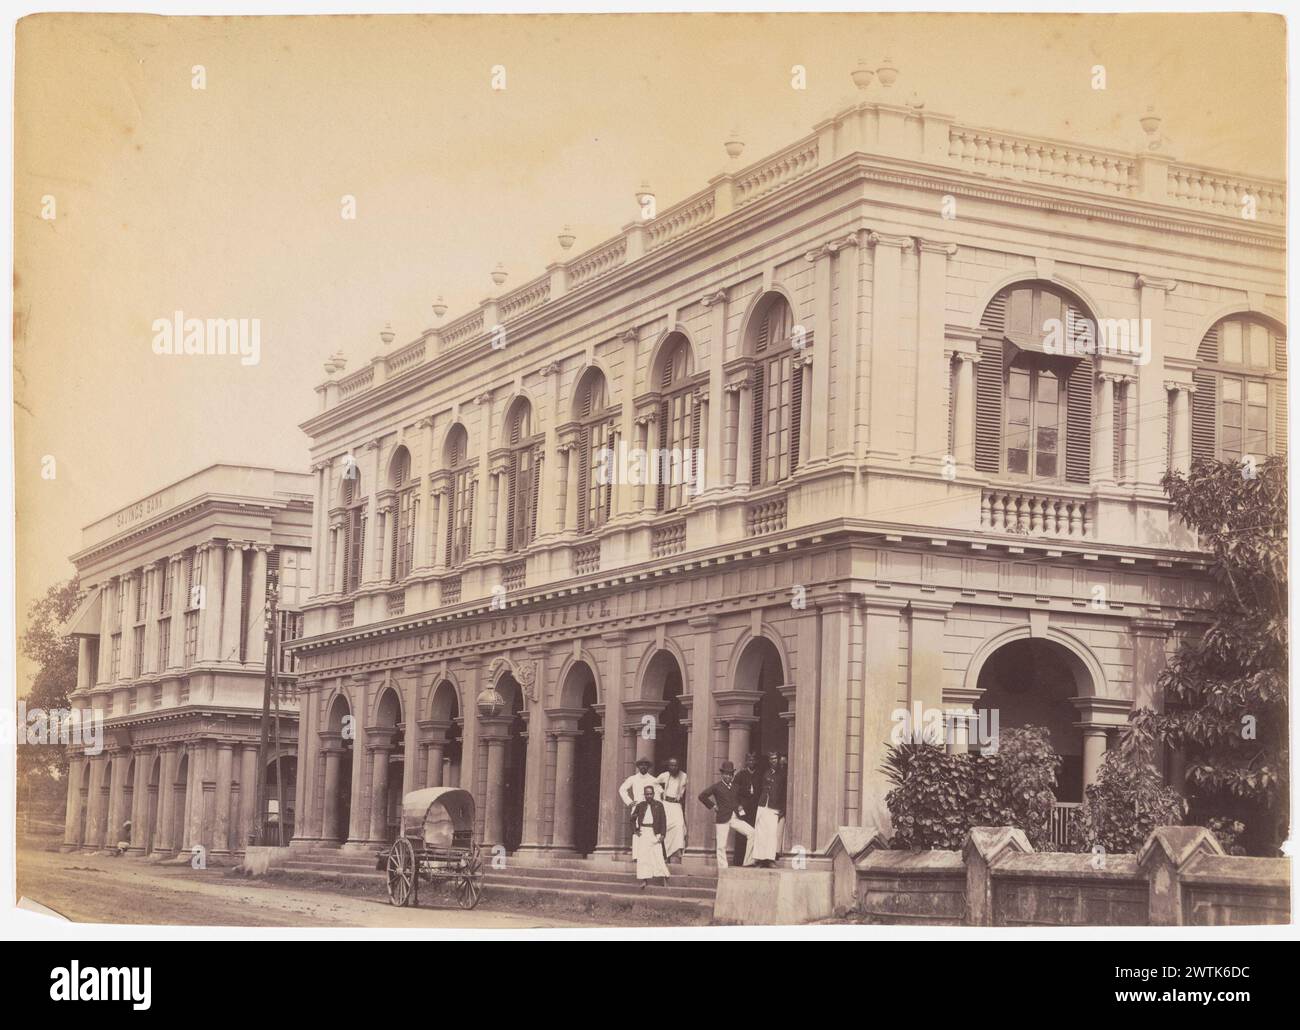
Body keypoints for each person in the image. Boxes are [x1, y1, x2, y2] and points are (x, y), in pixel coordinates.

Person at [698, 760, 754, 869]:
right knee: (721, 846)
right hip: (722, 819)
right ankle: (723, 868)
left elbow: (746, 795)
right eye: (726, 774)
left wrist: (741, 805)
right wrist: (713, 806)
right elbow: (702, 796)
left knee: (752, 833)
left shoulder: (735, 786)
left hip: (735, 818)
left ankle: (748, 861)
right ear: (722, 774)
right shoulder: (716, 786)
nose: (728, 776)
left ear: (732, 775)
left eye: (730, 774)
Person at [749, 749, 787, 867]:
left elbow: (785, 792)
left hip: (774, 806)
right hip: (762, 804)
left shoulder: (783, 774)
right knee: (760, 832)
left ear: (778, 759)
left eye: (775, 758)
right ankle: (759, 859)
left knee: (771, 833)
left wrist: (783, 808)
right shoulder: (765, 773)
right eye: (771, 759)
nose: (773, 761)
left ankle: (770, 859)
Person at [629, 785, 669, 888]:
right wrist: (635, 830)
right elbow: (632, 818)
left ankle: (664, 877)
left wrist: (663, 834)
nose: (649, 796)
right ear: (644, 795)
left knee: (658, 855)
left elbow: (664, 821)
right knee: (643, 857)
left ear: (654, 794)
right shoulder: (640, 805)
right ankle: (644, 880)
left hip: (655, 832)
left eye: (651, 794)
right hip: (643, 832)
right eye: (647, 794)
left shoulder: (659, 805)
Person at [655, 757, 689, 862]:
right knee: (666, 827)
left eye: (675, 765)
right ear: (668, 766)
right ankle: (665, 854)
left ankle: (676, 853)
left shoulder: (684, 776)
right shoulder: (664, 775)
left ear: (679, 766)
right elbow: (654, 783)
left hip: (676, 804)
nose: (673, 767)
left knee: (679, 826)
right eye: (671, 765)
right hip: (666, 804)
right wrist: (660, 792)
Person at [731, 752, 759, 866]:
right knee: (742, 835)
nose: (751, 762)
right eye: (749, 760)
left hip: (755, 809)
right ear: (746, 761)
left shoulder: (759, 774)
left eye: (753, 760)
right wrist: (738, 806)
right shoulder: (740, 775)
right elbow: (733, 793)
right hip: (743, 809)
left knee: (754, 834)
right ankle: (739, 861)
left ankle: (750, 860)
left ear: (756, 761)